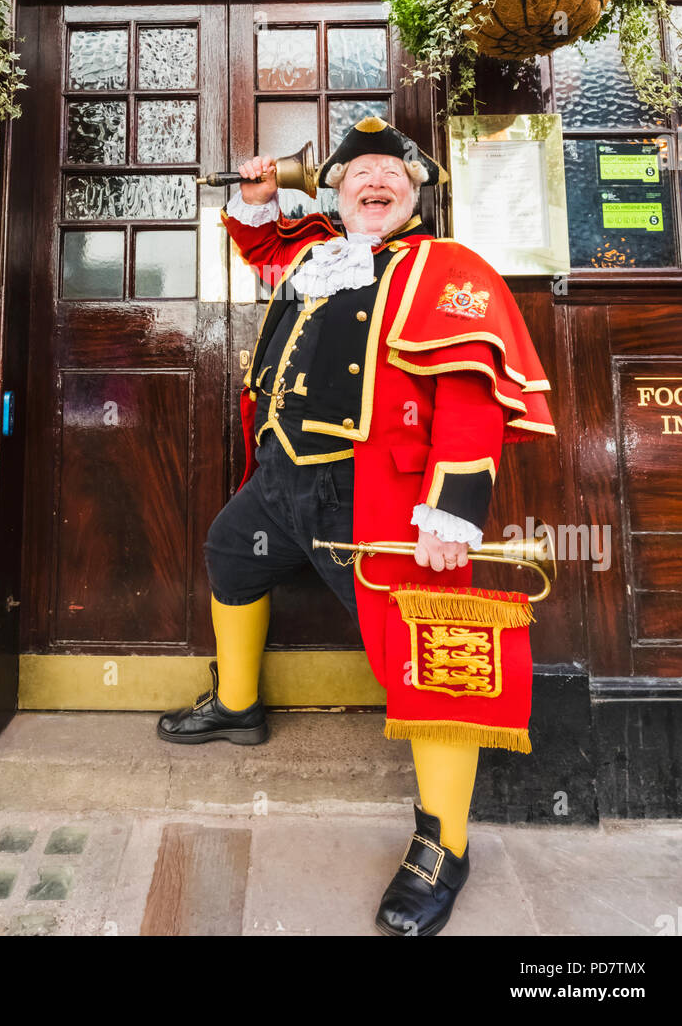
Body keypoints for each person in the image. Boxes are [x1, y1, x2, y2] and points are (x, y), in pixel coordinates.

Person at [157, 117, 555, 936]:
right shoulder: (321, 256)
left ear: (415, 193)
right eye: (359, 173)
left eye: (392, 175)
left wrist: (452, 514)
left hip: (379, 495)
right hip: (282, 479)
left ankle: (444, 843)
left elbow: (474, 402)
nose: (375, 183)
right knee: (231, 554)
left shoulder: (446, 268)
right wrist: (264, 202)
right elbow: (265, 252)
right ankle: (238, 705)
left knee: (430, 652)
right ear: (334, 192)